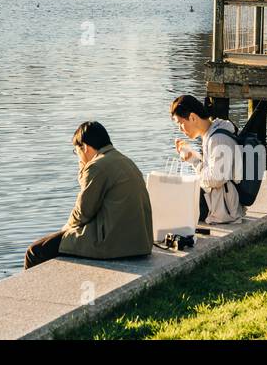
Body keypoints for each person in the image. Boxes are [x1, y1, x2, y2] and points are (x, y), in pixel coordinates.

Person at [23, 121, 153, 269]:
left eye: (76, 151)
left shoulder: (97, 166)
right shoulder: (125, 161)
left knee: (35, 251)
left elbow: (83, 212)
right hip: (140, 243)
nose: (78, 156)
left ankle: (32, 291)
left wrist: (64, 230)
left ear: (84, 147)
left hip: (112, 244)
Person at [169, 95, 245, 225]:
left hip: (223, 209)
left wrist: (194, 161)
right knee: (172, 191)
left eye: (180, 123)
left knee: (170, 198)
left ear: (192, 117)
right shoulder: (211, 134)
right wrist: (191, 157)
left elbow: (215, 179)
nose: (180, 129)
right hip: (217, 201)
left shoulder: (218, 139)